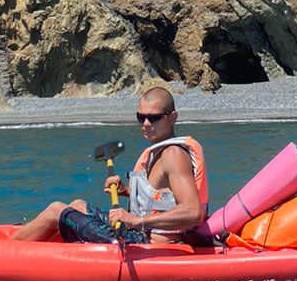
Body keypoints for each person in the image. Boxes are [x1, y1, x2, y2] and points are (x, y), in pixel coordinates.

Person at [11, 85, 208, 244]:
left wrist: (136, 221)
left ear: (172, 117)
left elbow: (192, 212)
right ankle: (38, 238)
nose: (146, 123)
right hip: (139, 233)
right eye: (141, 117)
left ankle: (7, 247)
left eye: (154, 117)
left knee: (56, 209)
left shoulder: (173, 154)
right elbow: (161, 198)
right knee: (77, 205)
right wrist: (125, 191)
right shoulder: (157, 152)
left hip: (144, 240)